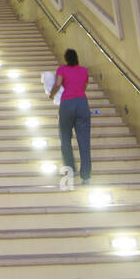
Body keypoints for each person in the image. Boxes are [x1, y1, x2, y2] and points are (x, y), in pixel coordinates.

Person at [49, 49, 92, 185]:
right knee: (84, 141)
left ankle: (70, 170)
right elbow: (84, 86)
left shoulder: (62, 69)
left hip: (67, 104)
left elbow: (57, 84)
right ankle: (85, 176)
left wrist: (51, 94)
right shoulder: (84, 70)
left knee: (65, 138)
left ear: (66, 59)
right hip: (82, 103)